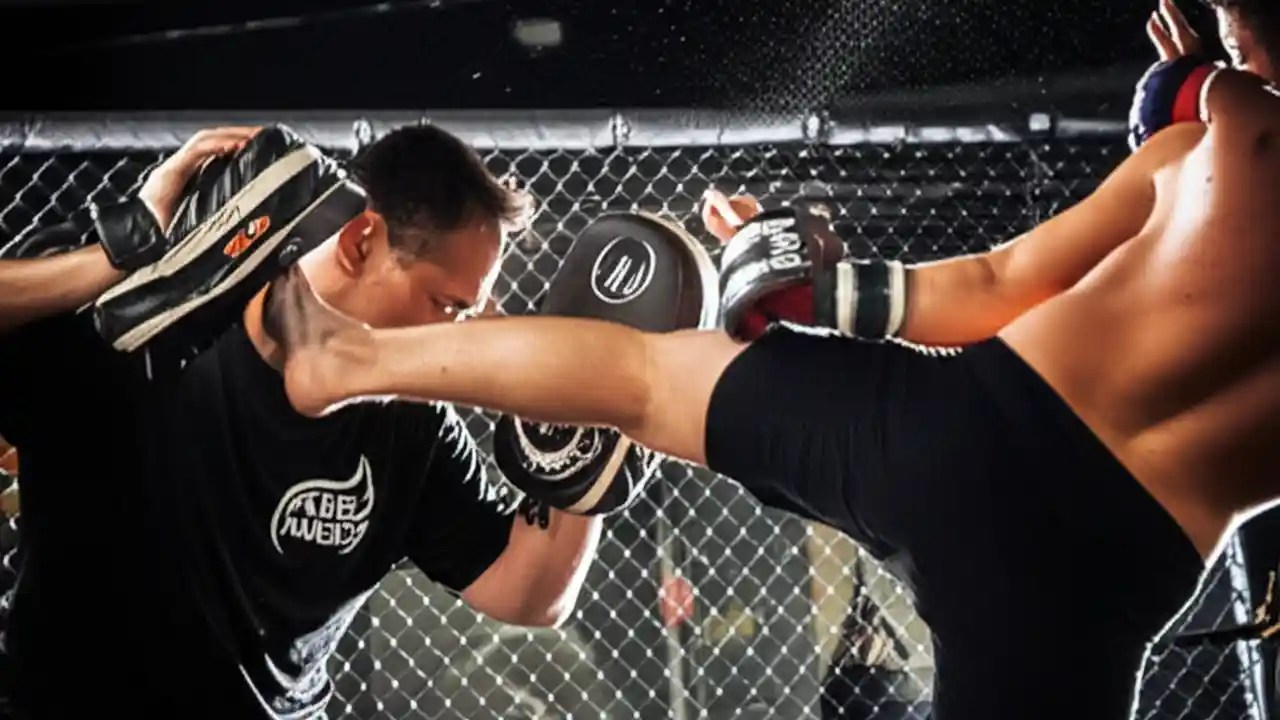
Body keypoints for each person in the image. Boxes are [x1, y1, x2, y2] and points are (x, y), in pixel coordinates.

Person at [264, 2, 1280, 717]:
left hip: (969, 436)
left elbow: (991, 283)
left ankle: (347, 363)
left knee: (643, 374)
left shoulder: (1222, 137)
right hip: (1111, 585)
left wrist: (806, 288)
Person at [0, 123, 644, 719]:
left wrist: (593, 425)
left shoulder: (411, 421)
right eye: (445, 306)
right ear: (362, 241)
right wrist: (118, 256)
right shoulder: (140, 330)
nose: (454, 337)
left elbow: (526, 593)